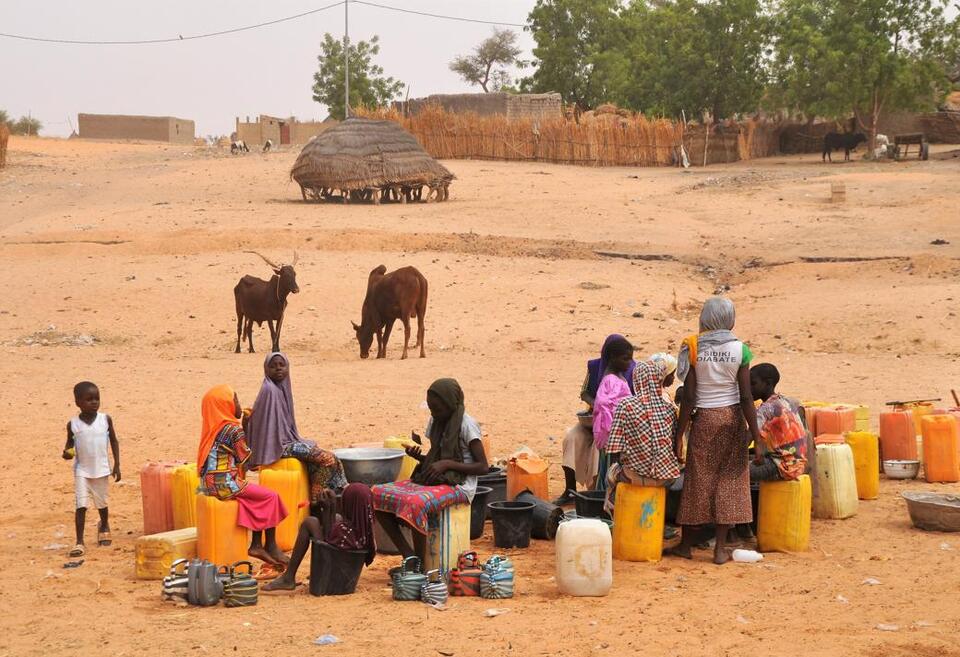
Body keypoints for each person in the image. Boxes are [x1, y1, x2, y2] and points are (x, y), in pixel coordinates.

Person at [667, 297, 761, 565]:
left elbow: (690, 397)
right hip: (732, 420)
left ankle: (686, 545)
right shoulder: (741, 350)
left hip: (705, 421)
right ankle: (720, 549)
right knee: (730, 482)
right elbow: (745, 396)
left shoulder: (694, 347)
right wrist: (756, 436)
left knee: (698, 480)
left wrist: (679, 435)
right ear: (728, 319)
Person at [371, 378, 488, 562]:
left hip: (460, 485)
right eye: (431, 408)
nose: (434, 413)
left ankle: (421, 562)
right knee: (377, 494)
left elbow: (483, 466)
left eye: (437, 409)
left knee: (416, 503)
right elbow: (436, 461)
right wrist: (419, 457)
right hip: (437, 478)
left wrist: (447, 464)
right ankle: (409, 555)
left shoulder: (467, 425)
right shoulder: (436, 420)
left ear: (450, 404)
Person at [198, 384, 289, 566]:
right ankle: (265, 545)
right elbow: (246, 459)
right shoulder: (233, 429)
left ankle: (259, 544)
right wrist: (248, 427)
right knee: (271, 497)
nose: (239, 405)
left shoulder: (214, 427)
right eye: (236, 401)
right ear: (226, 405)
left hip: (208, 483)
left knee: (253, 498)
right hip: (224, 484)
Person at [246, 352, 347, 503]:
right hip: (279, 447)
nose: (278, 369)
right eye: (273, 366)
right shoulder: (269, 390)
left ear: (288, 367)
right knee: (328, 459)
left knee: (322, 456)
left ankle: (330, 493)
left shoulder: (281, 389)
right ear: (266, 370)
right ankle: (317, 500)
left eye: (282, 365)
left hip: (287, 441)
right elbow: (259, 424)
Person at [555, 334, 637, 505]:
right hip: (592, 419)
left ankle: (597, 492)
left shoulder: (632, 370)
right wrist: (596, 404)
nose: (628, 361)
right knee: (571, 439)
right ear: (610, 356)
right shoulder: (594, 367)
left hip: (614, 426)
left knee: (597, 449)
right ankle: (569, 489)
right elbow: (584, 392)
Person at [604, 355, 682, 514]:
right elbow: (674, 445)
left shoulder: (626, 405)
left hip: (633, 476)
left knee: (611, 475)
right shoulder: (669, 408)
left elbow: (614, 448)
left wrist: (617, 469)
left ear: (636, 380)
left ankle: (613, 510)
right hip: (666, 478)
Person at [263, 483, 376, 592]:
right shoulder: (364, 525)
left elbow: (328, 541)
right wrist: (332, 508)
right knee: (337, 517)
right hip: (343, 565)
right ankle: (290, 577)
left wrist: (327, 509)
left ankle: (288, 577)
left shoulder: (346, 533)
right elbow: (334, 534)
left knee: (310, 522)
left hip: (333, 575)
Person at [62, 381, 121, 558]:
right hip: (82, 470)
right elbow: (69, 446)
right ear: (78, 402)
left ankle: (104, 525)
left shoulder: (105, 419)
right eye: (89, 399)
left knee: (102, 503)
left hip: (101, 469)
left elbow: (114, 441)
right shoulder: (73, 424)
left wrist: (117, 464)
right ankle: (79, 542)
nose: (94, 402)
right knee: (81, 505)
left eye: (97, 399)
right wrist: (67, 453)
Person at [749, 363, 815, 483]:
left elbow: (746, 439)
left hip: (782, 467)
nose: (749, 388)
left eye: (753, 384)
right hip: (798, 464)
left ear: (768, 383)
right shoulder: (786, 401)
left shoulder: (766, 409)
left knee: (731, 472)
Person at [591, 336, 636, 492]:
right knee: (611, 473)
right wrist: (617, 431)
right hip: (612, 437)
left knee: (608, 470)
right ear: (612, 358)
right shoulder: (611, 380)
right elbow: (605, 406)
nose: (629, 363)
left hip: (613, 436)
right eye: (625, 359)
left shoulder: (617, 377)